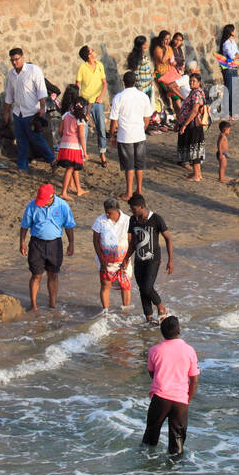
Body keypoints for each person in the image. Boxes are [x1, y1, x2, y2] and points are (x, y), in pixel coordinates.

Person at [142, 316, 199, 457]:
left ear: (161, 332)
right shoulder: (189, 350)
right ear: (179, 330)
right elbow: (194, 380)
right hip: (180, 401)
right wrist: (187, 399)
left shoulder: (154, 350)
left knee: (150, 437)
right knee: (177, 443)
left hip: (160, 398)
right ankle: (174, 474)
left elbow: (152, 372)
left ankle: (145, 469)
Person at [19, 183, 76, 313]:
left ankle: (52, 304)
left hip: (55, 244)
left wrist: (71, 243)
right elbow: (24, 226)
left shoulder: (62, 206)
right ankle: (33, 305)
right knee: (36, 275)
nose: (42, 203)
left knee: (53, 274)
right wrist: (22, 242)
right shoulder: (32, 205)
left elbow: (69, 226)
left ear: (52, 197)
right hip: (36, 244)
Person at [4, 47, 59, 172]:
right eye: (12, 60)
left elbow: (41, 90)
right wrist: (6, 112)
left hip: (32, 111)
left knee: (36, 138)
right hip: (18, 112)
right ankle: (22, 166)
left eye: (16, 59)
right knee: (21, 140)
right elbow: (9, 94)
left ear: (22, 58)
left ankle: (52, 160)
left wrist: (42, 107)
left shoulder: (34, 70)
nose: (14, 62)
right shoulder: (11, 75)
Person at [125, 194, 172, 322]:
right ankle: (148, 318)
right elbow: (133, 243)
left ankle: (161, 308)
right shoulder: (132, 220)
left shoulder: (156, 219)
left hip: (153, 259)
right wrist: (126, 259)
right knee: (142, 290)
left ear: (141, 206)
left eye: (133, 208)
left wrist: (170, 260)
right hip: (139, 260)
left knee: (147, 287)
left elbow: (168, 239)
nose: (132, 211)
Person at [109, 70, 154, 201]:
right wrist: (142, 128)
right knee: (139, 164)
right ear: (135, 82)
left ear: (124, 82)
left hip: (125, 135)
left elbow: (114, 120)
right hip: (139, 134)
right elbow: (147, 118)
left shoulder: (119, 97)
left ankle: (128, 192)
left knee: (129, 165)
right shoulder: (143, 96)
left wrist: (112, 135)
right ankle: (139, 190)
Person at [92, 198, 133, 312]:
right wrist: (101, 260)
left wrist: (127, 259)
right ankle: (105, 311)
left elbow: (131, 241)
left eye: (109, 212)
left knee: (125, 285)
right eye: (105, 211)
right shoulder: (100, 220)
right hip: (106, 260)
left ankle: (125, 311)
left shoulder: (127, 220)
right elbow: (96, 241)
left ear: (117, 210)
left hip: (123, 260)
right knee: (105, 285)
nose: (107, 214)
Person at [76, 45, 109, 168]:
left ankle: (102, 154)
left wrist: (100, 96)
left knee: (101, 129)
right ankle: (83, 155)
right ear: (89, 55)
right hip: (85, 103)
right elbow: (78, 84)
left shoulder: (99, 65)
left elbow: (104, 83)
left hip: (97, 103)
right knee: (83, 130)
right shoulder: (82, 68)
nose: (95, 52)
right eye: (92, 50)